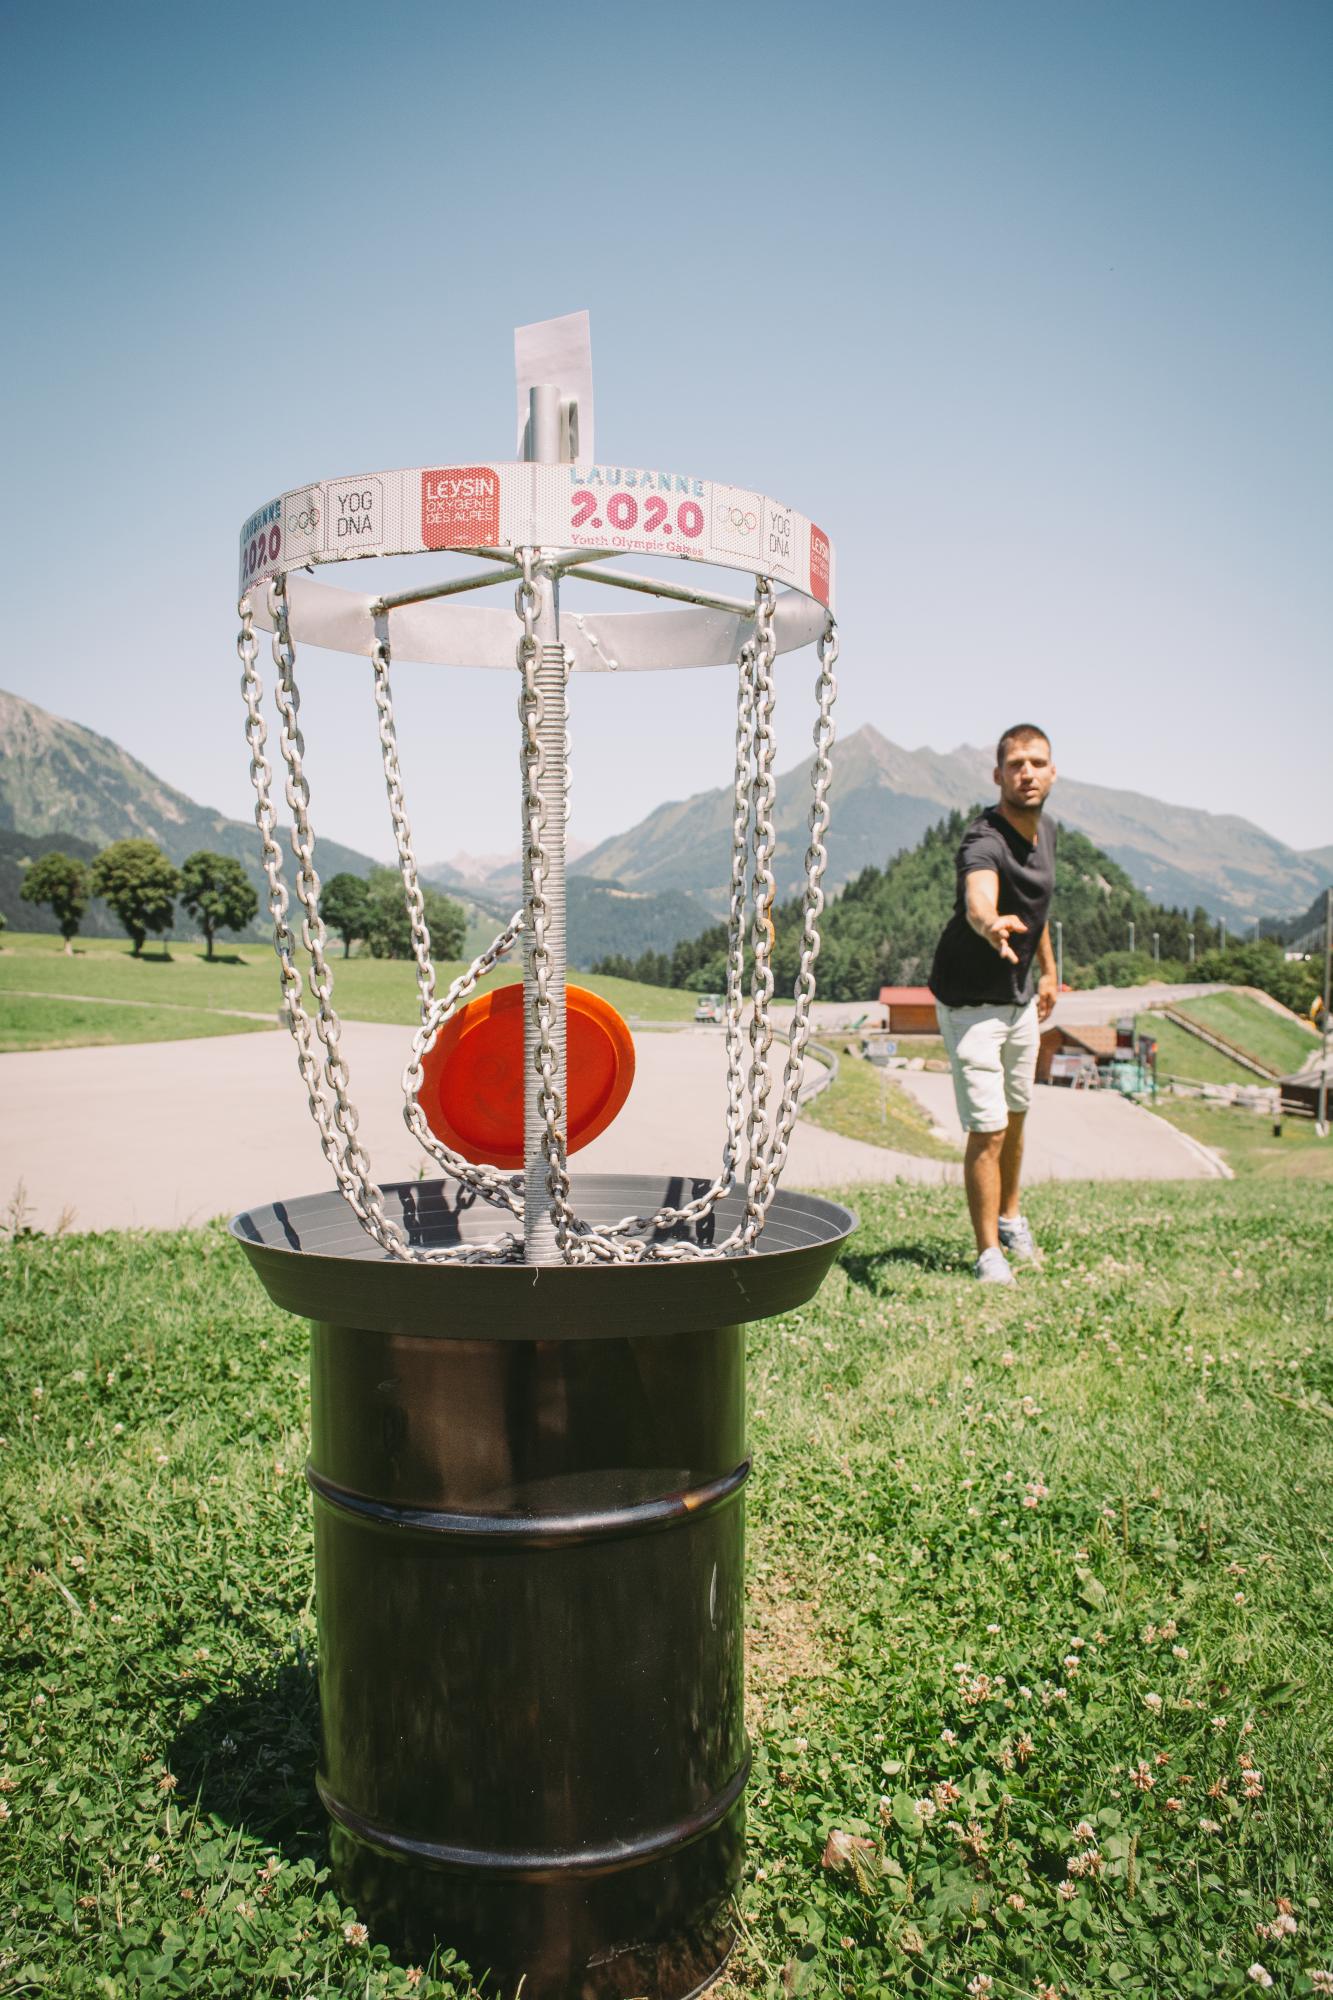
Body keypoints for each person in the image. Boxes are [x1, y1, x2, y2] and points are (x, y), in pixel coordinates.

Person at [927, 724, 1059, 1282]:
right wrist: (989, 924)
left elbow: (1039, 906)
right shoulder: (984, 839)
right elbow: (981, 896)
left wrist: (1050, 970)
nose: (1026, 773)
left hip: (1019, 1000)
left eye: (1037, 762)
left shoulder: (1047, 830)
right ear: (998, 775)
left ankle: (1010, 1218)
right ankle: (988, 1254)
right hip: (970, 1006)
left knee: (1018, 1115)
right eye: (1016, 764)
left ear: (1052, 772)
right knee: (989, 1128)